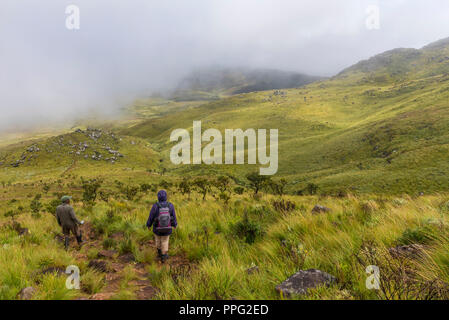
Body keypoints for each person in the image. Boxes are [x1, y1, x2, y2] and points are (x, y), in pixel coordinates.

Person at [146, 190, 177, 263]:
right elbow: (173, 216)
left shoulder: (155, 206)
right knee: (165, 240)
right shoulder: (170, 205)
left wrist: (148, 224)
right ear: (166, 196)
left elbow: (151, 216)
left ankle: (159, 252)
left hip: (157, 227)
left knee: (158, 239)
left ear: (158, 197)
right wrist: (174, 224)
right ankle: (164, 256)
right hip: (167, 228)